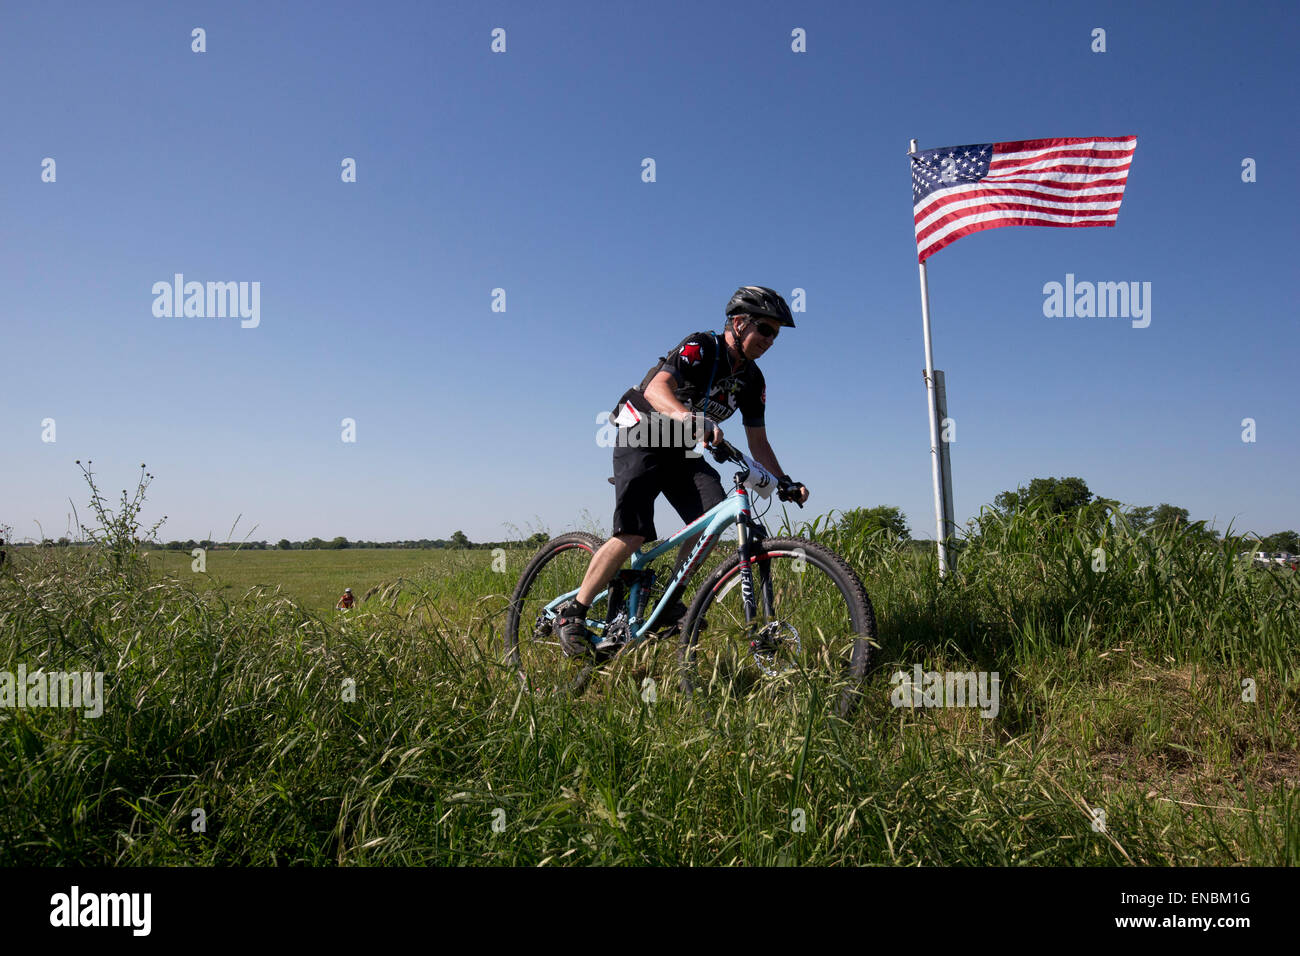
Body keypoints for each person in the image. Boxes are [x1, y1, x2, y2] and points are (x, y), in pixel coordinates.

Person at [555, 286, 809, 657]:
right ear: (739, 323)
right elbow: (657, 388)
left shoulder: (752, 381)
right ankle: (573, 612)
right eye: (765, 329)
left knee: (710, 518)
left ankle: (668, 600)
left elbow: (759, 443)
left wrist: (784, 482)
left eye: (776, 334)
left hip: (681, 447)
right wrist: (690, 418)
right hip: (643, 429)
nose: (771, 339)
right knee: (634, 534)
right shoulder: (702, 346)